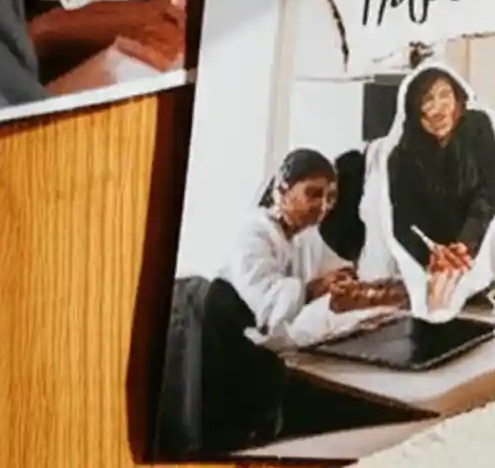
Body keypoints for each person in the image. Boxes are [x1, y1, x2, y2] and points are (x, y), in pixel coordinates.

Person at [156, 149, 411, 456]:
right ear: (282, 189)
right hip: (227, 344)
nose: (323, 206)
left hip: (263, 348)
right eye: (313, 194)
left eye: (330, 197)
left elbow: (319, 285)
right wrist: (314, 289)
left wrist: (348, 286)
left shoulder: (303, 237)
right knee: (231, 440)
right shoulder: (252, 234)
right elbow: (269, 301)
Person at [387, 66, 495, 312]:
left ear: (457, 99)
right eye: (427, 100)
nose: (439, 109)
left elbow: (491, 190)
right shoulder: (401, 156)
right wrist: (429, 254)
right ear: (414, 110)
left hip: (471, 255)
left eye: (445, 95)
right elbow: (401, 222)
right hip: (432, 267)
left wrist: (465, 243)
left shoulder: (478, 126)